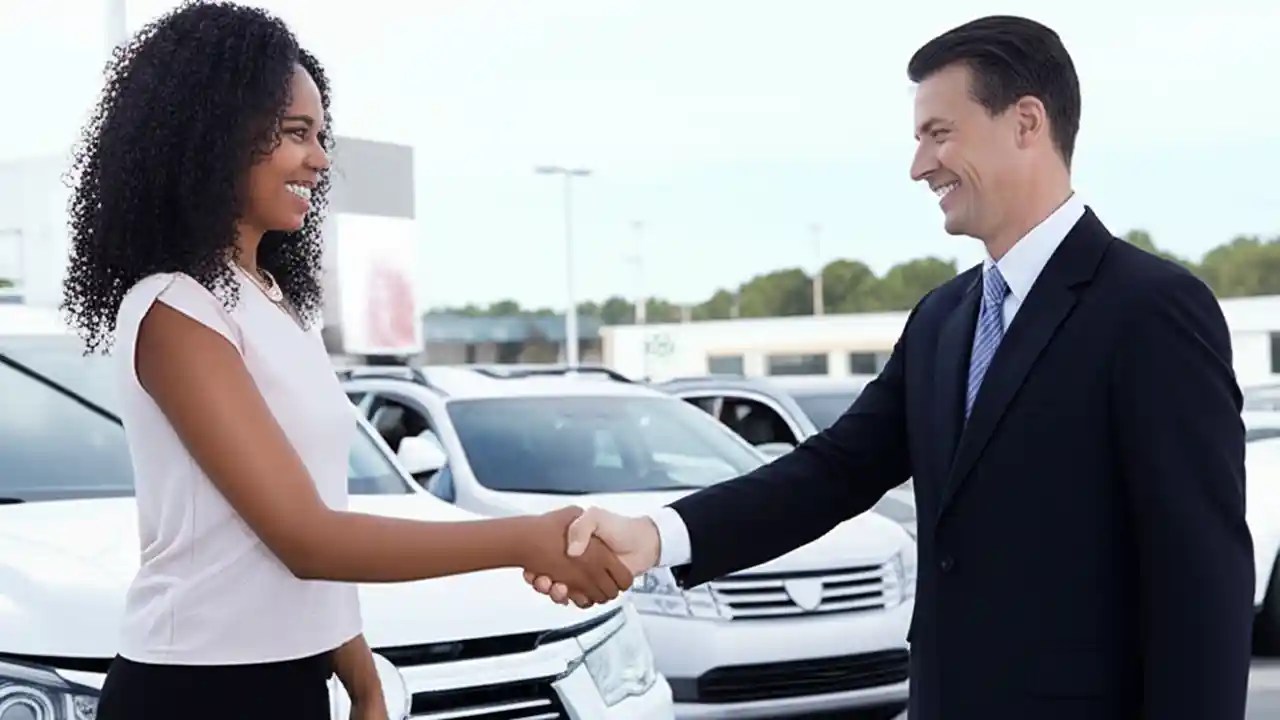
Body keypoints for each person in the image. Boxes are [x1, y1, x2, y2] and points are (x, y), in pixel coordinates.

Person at [526, 15, 1255, 720]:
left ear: (1027, 122)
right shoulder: (943, 318)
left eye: (940, 134)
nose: (919, 165)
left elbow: (1202, 584)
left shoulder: (1151, 309)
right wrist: (658, 536)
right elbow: (833, 471)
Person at [58, 3, 629, 719]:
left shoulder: (274, 302)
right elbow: (306, 539)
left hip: (294, 682)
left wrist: (361, 682)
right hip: (197, 690)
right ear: (212, 136)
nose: (321, 159)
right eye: (297, 133)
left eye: (320, 135)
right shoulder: (175, 307)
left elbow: (322, 516)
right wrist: (526, 539)